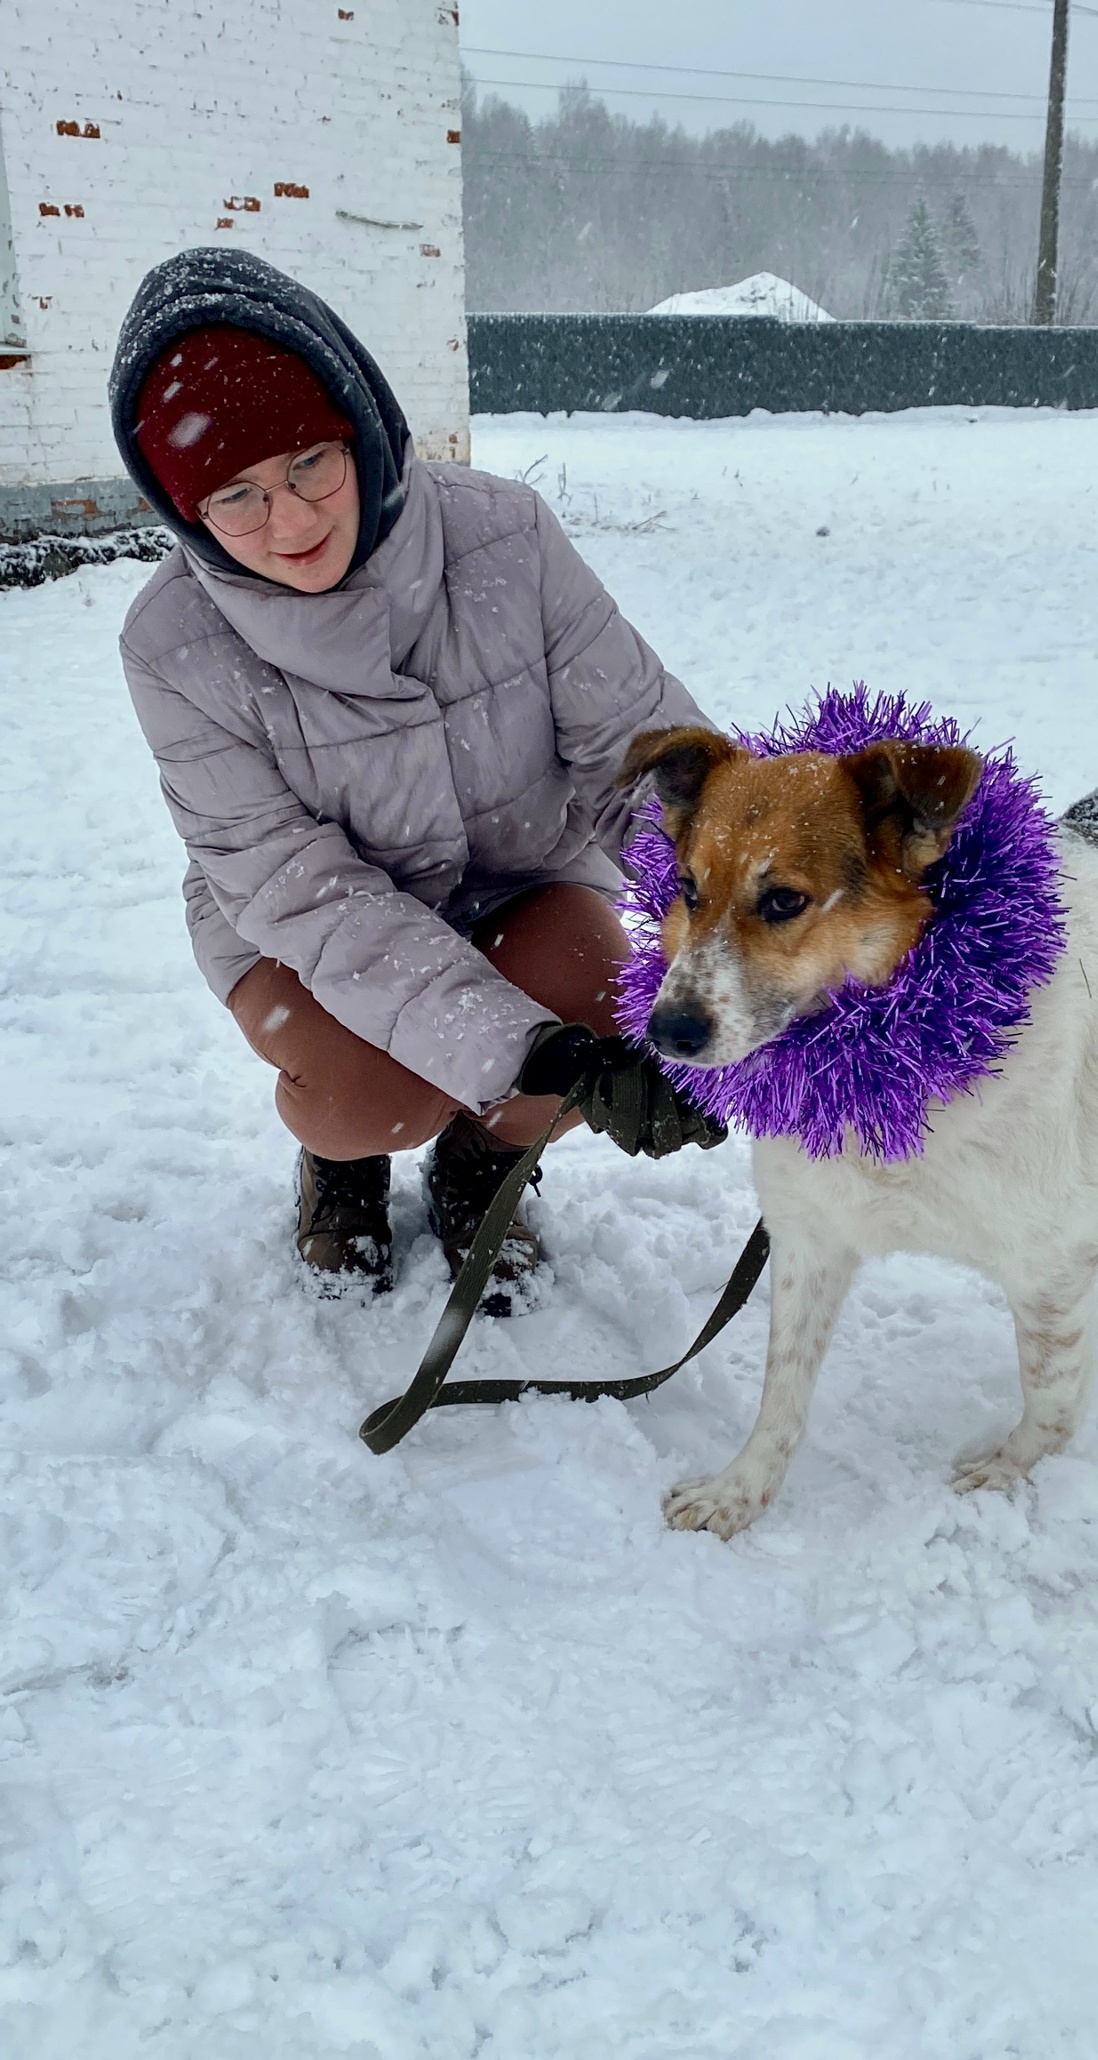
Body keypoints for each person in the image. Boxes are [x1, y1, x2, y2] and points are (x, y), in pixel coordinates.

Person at [110, 249, 721, 1309]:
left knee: (611, 1002)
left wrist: (751, 921)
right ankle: (340, 1164)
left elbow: (639, 756)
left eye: (310, 462)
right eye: (237, 495)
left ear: (358, 423)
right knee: (368, 1096)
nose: (293, 523)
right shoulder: (173, 645)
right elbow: (302, 892)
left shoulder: (505, 539)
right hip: (300, 933)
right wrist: (530, 1054)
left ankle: (483, 1162)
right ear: (185, 509)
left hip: (515, 880)